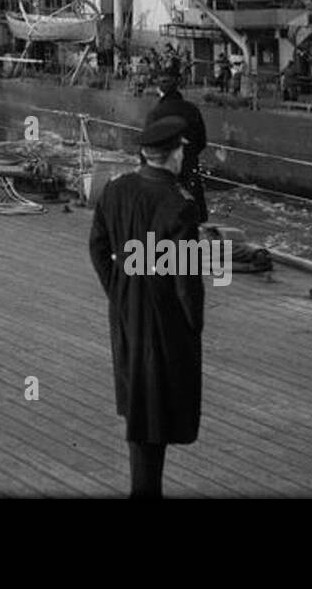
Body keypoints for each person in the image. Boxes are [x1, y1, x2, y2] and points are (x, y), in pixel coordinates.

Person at [88, 114, 204, 499]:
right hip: (166, 317)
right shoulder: (180, 203)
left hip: (126, 310)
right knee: (159, 401)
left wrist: (117, 289)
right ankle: (145, 490)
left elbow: (98, 246)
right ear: (174, 156)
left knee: (137, 393)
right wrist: (193, 325)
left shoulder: (116, 189)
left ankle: (144, 487)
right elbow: (186, 279)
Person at [146, 69, 209, 223]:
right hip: (190, 169)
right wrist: (188, 155)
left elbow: (147, 148)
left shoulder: (155, 113)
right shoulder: (192, 110)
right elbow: (202, 141)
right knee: (194, 215)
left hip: (163, 174)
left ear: (159, 88)